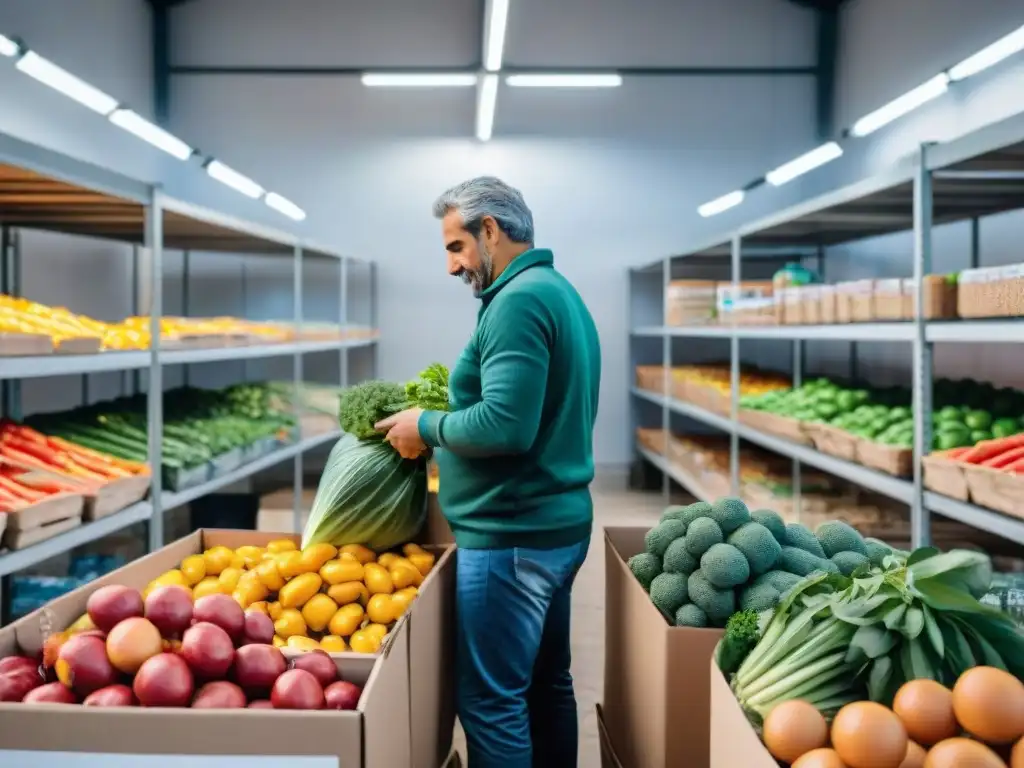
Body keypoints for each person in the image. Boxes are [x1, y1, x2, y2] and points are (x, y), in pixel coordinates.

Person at [374, 176, 601, 768]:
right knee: (547, 685)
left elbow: (505, 425)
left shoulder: (519, 301)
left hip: (511, 540)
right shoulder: (558, 291)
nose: (452, 266)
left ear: (491, 231)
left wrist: (426, 425)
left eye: (456, 247)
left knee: (492, 702)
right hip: (555, 528)